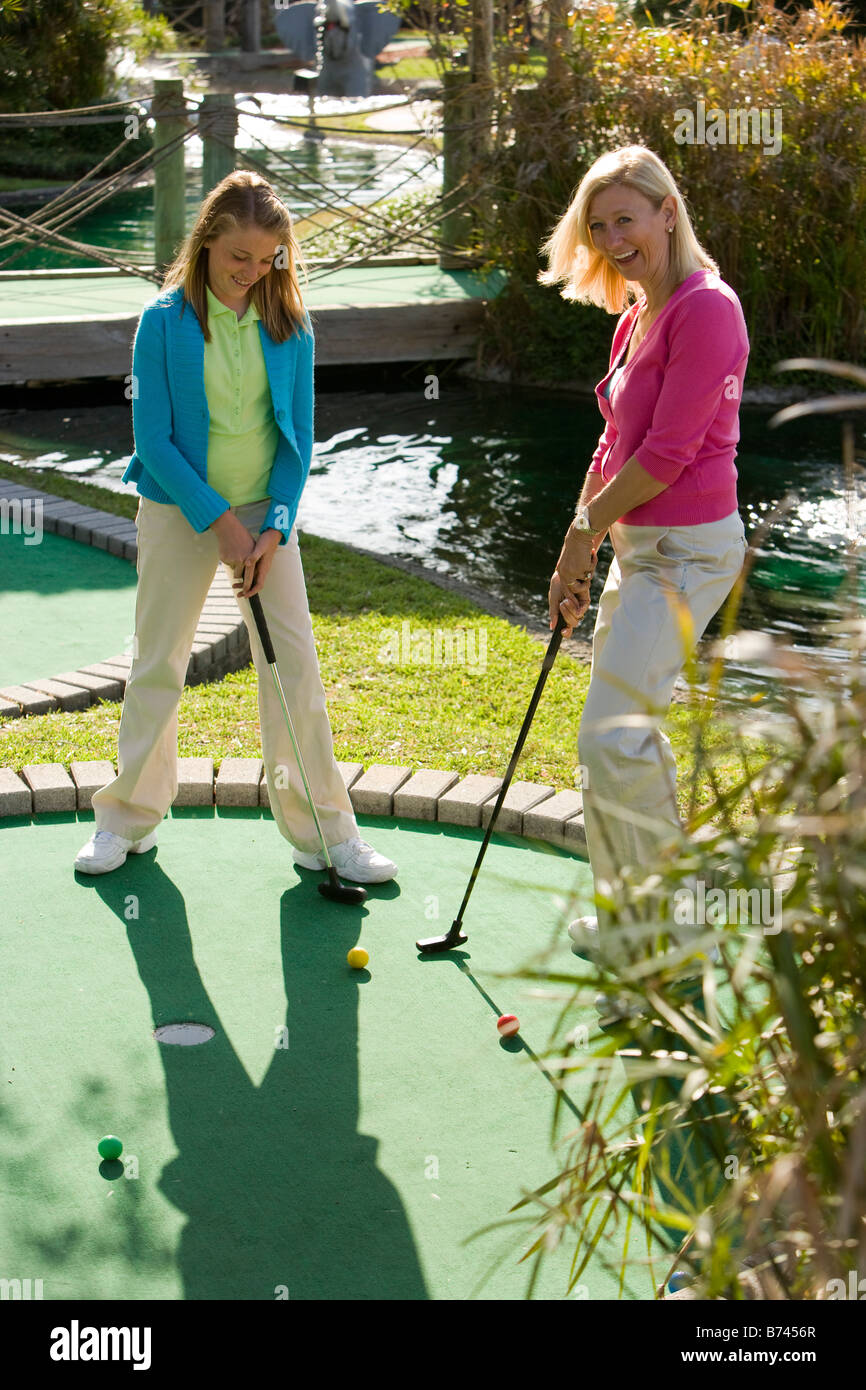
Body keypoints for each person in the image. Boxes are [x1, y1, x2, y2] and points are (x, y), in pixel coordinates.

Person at [75, 171, 396, 884]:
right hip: (178, 508)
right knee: (159, 659)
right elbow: (153, 439)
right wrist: (218, 524)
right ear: (206, 246)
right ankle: (125, 819)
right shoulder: (164, 321)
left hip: (264, 518)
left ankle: (326, 834)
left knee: (296, 668)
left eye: (265, 261)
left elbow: (299, 439)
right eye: (237, 260)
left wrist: (274, 528)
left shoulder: (290, 325)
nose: (250, 274)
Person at [537, 145, 749, 965]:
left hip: (689, 554)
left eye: (626, 218)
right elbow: (614, 438)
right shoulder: (639, 311)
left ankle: (680, 920)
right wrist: (575, 551)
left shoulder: (708, 308)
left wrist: (586, 532)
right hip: (639, 546)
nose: (613, 237)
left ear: (669, 209)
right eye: (599, 227)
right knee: (619, 735)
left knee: (612, 738)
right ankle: (635, 918)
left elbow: (665, 457)